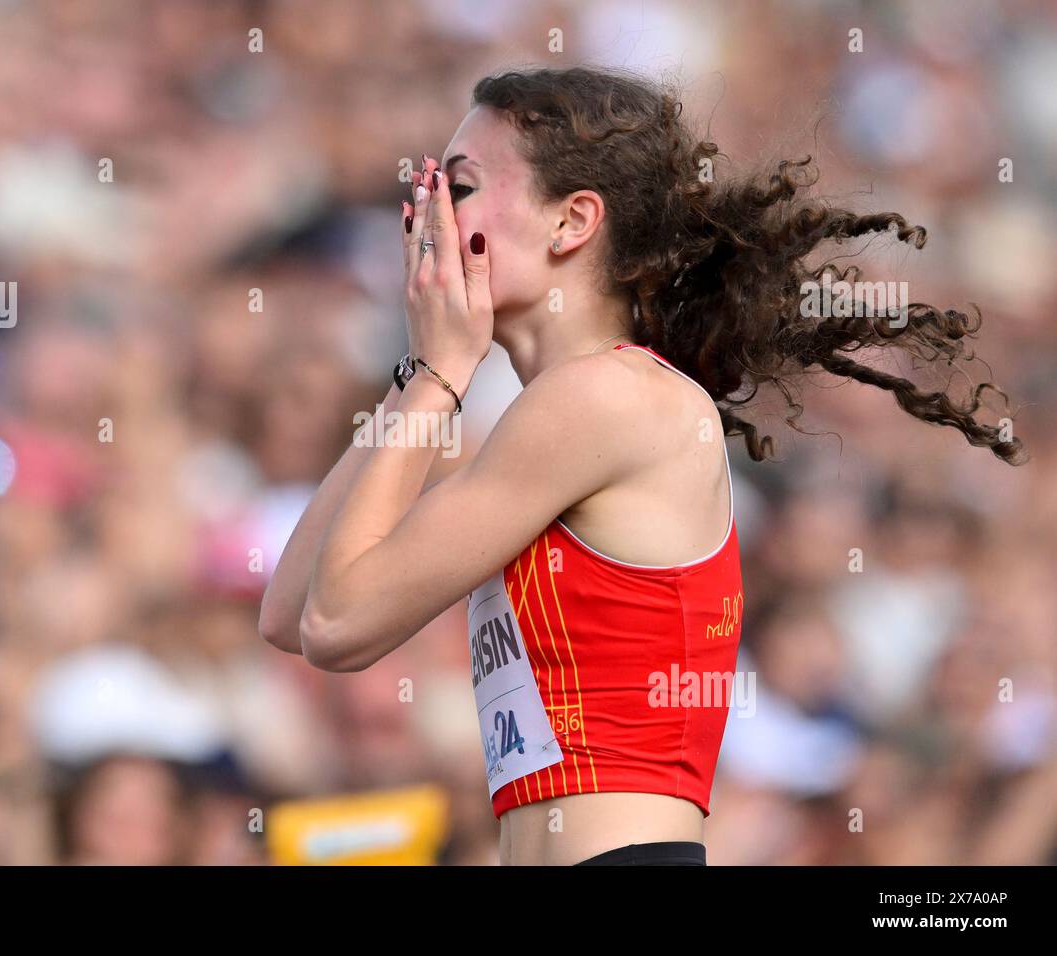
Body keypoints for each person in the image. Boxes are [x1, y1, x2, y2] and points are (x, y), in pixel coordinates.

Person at [258, 66, 1023, 866]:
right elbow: (290, 609)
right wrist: (426, 373)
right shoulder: (565, 409)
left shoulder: (606, 400)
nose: (430, 217)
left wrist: (442, 371)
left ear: (572, 222)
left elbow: (337, 624)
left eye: (461, 187)